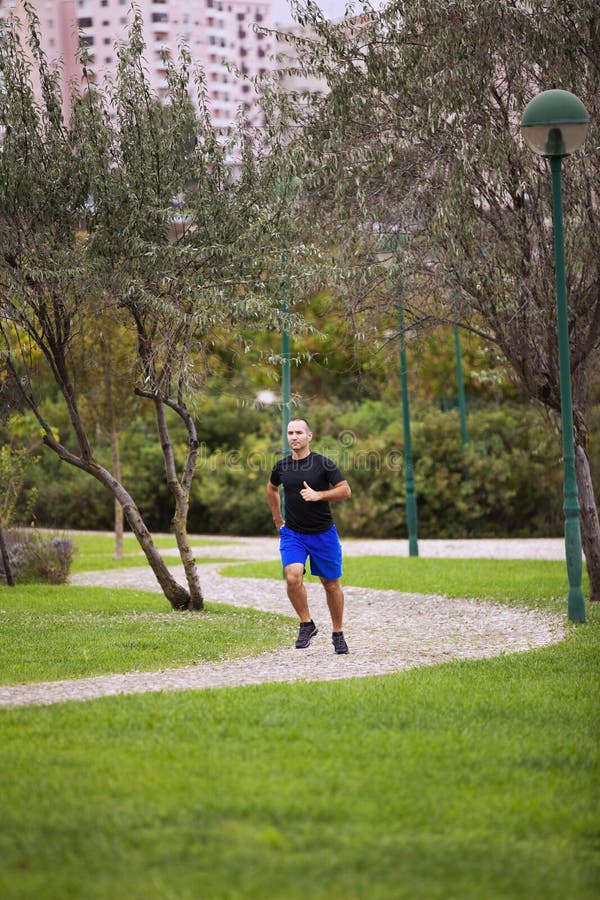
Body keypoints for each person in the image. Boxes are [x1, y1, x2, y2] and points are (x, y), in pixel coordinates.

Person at [266, 417, 352, 654]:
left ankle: (338, 633)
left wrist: (319, 495)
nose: (294, 437)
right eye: (290, 433)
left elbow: (345, 490)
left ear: (309, 436)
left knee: (331, 584)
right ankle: (307, 623)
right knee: (293, 577)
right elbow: (271, 488)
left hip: (323, 534)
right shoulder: (282, 467)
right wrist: (277, 519)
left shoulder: (323, 464)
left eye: (299, 433)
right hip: (293, 533)